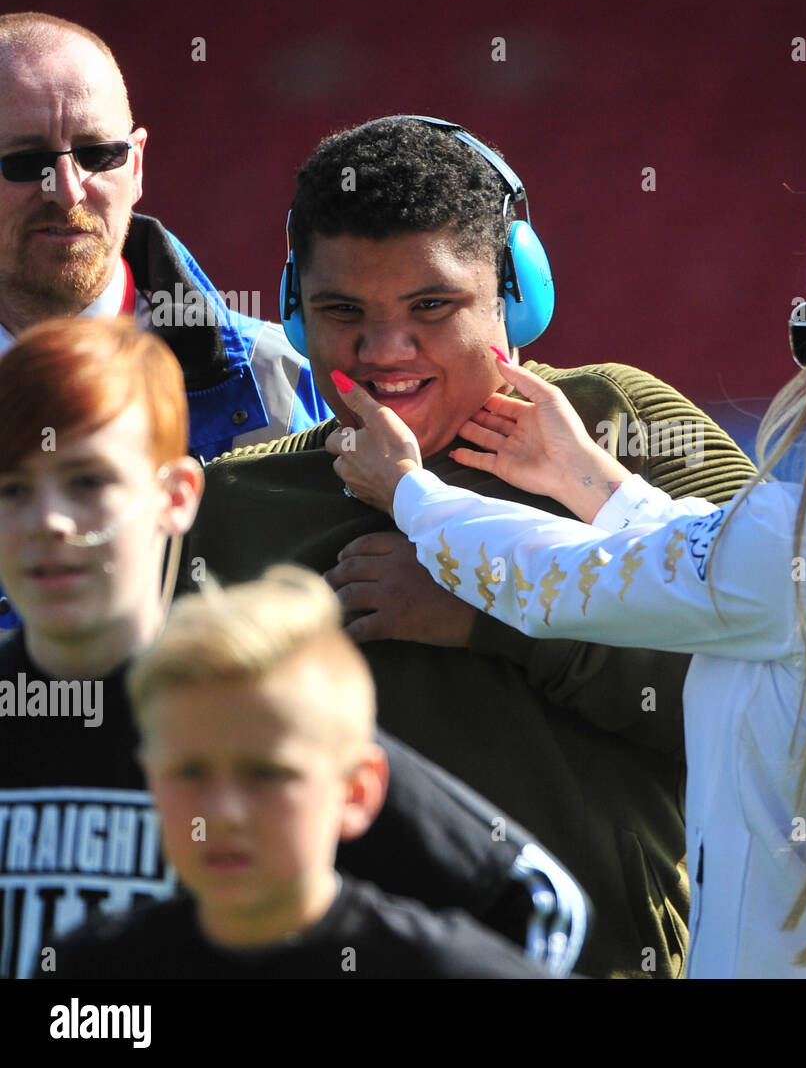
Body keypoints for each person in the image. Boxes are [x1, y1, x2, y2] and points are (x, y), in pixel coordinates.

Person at [330, 169, 806, 976]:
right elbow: (707, 560)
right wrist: (586, 477)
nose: (804, 363)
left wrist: (408, 491)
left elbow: (552, 582)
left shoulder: (796, 544)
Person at [187, 115, 758, 978]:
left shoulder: (622, 426)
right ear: (296, 313)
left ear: (516, 295)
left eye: (432, 307)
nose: (386, 352)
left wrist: (488, 607)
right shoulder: (233, 502)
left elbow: (771, 684)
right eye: (343, 311)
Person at [0, 317, 583, 980]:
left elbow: (534, 900)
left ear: (177, 496)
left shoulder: (255, 703)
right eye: (13, 489)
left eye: (87, 484)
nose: (48, 521)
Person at [43, 565, 552, 979]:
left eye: (266, 774)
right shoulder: (92, 972)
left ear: (357, 791)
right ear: (150, 777)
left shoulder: (455, 970)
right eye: (190, 772)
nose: (222, 813)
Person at [0, 12, 328, 466]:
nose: (68, 190)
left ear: (135, 167)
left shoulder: (284, 385)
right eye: (24, 160)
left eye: (98, 153)